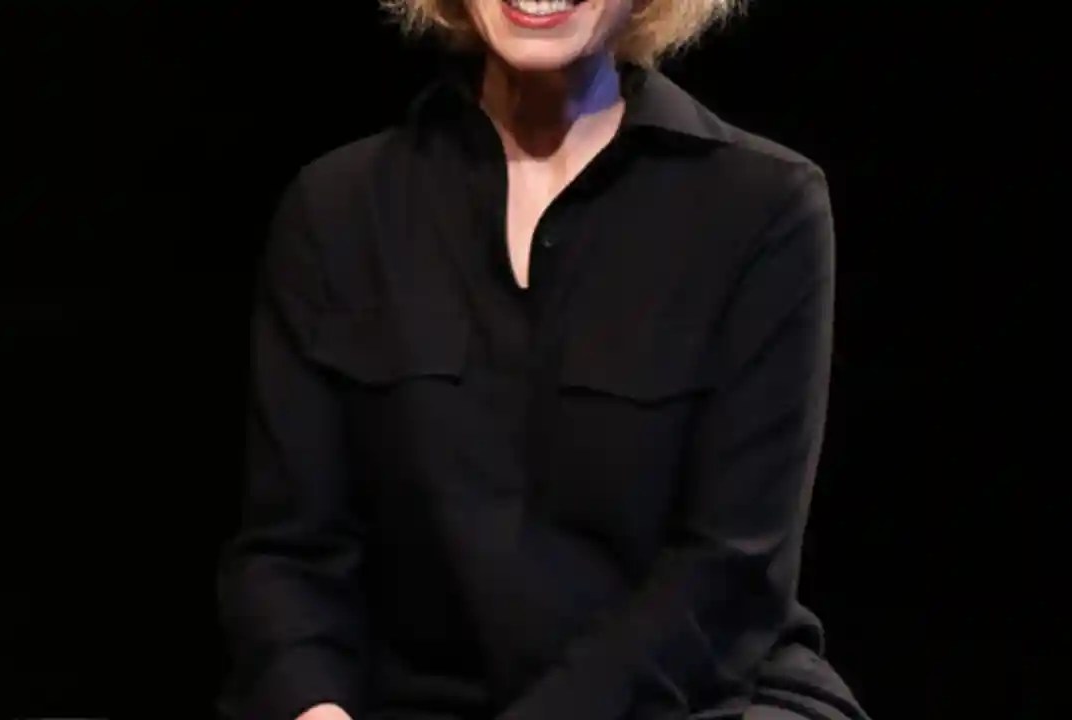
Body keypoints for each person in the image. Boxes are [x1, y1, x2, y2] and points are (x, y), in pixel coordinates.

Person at [217, 1, 870, 719]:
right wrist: (314, 708)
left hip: (701, 701)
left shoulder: (762, 208)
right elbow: (291, 555)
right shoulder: (337, 211)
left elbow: (729, 574)